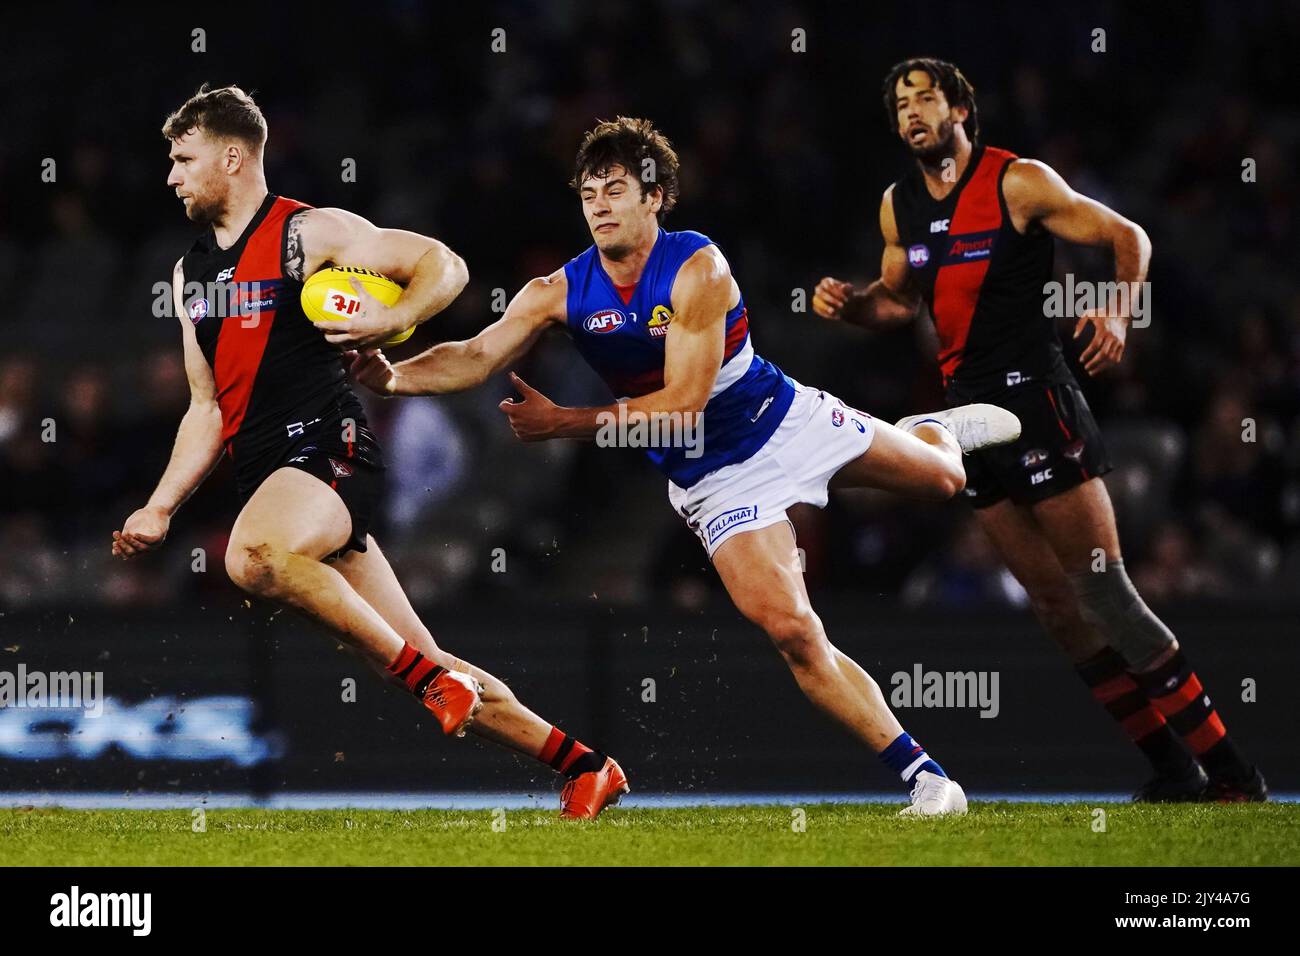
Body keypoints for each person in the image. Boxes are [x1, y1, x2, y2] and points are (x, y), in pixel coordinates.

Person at [351, 117, 1025, 815]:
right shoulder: (557, 290)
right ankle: (927, 779)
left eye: (616, 189)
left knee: (945, 480)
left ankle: (931, 434)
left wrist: (564, 424)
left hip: (781, 420)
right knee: (792, 629)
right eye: (588, 193)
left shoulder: (699, 267)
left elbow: (684, 402)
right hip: (716, 481)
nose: (600, 205)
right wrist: (394, 376)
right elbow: (477, 353)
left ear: (656, 198)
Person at [112, 85, 626, 819]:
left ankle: (425, 681)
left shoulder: (307, 234)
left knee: (248, 557)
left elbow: (442, 265)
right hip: (276, 479)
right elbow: (204, 406)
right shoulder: (189, 277)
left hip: (332, 449)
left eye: (183, 158)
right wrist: (159, 507)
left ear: (232, 157)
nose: (171, 175)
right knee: (424, 659)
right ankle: (584, 766)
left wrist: (396, 317)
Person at [813, 58, 1264, 802]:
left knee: (1105, 592)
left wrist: (1118, 311)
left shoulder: (1016, 181)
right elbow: (897, 301)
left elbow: (1129, 236)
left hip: (1038, 404)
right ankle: (1172, 770)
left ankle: (1235, 774)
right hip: (967, 421)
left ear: (962, 108)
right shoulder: (898, 207)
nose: (912, 113)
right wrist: (852, 305)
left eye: (926, 98)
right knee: (1056, 609)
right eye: (901, 104)